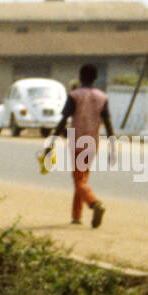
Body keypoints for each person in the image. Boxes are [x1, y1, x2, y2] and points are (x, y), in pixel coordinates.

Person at [44, 63, 115, 227]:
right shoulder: (102, 97)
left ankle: (94, 203)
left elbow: (64, 120)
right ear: (96, 78)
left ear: (80, 77)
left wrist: (52, 141)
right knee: (81, 178)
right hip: (92, 141)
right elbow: (108, 122)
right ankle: (76, 216)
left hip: (77, 141)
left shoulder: (75, 95)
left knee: (79, 180)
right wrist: (112, 144)